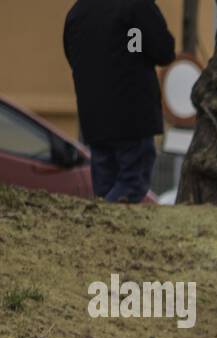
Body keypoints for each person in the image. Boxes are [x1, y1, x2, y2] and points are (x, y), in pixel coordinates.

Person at [64, 0, 176, 202]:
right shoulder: (136, 6)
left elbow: (72, 56)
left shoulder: (78, 11)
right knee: (132, 184)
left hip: (93, 118)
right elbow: (163, 51)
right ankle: (101, 226)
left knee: (104, 186)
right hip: (133, 116)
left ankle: (101, 227)